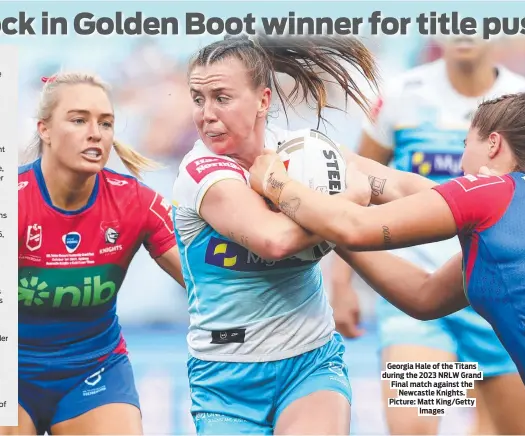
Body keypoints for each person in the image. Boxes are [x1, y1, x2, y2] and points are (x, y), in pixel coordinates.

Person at [248, 92, 525, 430]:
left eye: (464, 142)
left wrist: (275, 181)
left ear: (493, 144)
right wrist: (327, 216)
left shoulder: (488, 192)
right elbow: (424, 295)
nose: (460, 160)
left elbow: (356, 225)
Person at [0, 72, 185, 436]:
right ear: (44, 130)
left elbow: (204, 284)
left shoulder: (137, 202)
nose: (95, 132)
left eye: (106, 123)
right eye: (79, 120)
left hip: (92, 370)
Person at [171, 32, 428, 435]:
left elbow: (399, 187)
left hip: (310, 363)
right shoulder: (202, 173)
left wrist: (486, 195)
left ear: (263, 100)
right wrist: (348, 202)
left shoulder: (306, 153)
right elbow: (275, 241)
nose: (206, 113)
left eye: (221, 97)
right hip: (226, 378)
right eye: (198, 98)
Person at [328, 35, 525, 435]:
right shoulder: (402, 94)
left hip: (499, 296)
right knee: (414, 427)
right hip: (423, 287)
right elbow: (363, 177)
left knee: (511, 431)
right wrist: (340, 283)